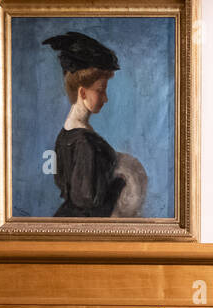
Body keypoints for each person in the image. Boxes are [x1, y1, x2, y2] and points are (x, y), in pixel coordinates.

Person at [44, 31, 146, 218]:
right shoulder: (85, 142)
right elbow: (87, 203)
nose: (105, 98)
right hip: (81, 230)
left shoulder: (65, 135)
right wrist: (120, 183)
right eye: (101, 90)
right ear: (82, 93)